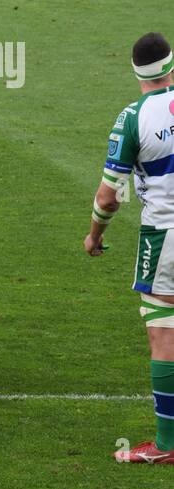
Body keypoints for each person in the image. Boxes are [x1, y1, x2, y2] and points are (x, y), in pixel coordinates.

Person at [91, 33, 174, 463]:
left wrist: (95, 235)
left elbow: (109, 196)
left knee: (164, 333)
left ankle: (166, 445)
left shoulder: (133, 117)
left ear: (135, 70)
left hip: (166, 236)